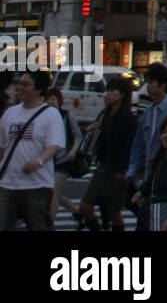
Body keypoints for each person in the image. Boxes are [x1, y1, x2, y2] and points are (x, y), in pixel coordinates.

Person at [0, 70, 65, 230]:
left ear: (39, 89)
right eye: (19, 83)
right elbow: (2, 147)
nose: (20, 88)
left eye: (26, 84)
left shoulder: (51, 115)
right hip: (7, 185)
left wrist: (39, 161)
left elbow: (53, 145)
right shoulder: (10, 113)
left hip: (37, 186)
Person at [127, 63, 167, 217]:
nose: (148, 86)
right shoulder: (148, 110)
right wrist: (133, 169)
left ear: (163, 85)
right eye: (147, 82)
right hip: (150, 175)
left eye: (152, 82)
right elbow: (140, 143)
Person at [78, 76, 137, 231]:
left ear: (122, 94)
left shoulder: (128, 118)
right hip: (103, 166)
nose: (108, 94)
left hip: (118, 170)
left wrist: (124, 171)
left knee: (113, 212)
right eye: (107, 91)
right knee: (85, 207)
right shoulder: (105, 114)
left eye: (112, 91)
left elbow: (130, 147)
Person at [46, 89, 82, 226]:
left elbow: (78, 135)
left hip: (64, 159)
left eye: (53, 99)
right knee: (53, 192)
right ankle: (78, 213)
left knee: (53, 189)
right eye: (48, 99)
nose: (50, 102)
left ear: (59, 101)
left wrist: (72, 151)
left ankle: (50, 224)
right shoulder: (43, 117)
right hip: (48, 161)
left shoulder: (67, 116)